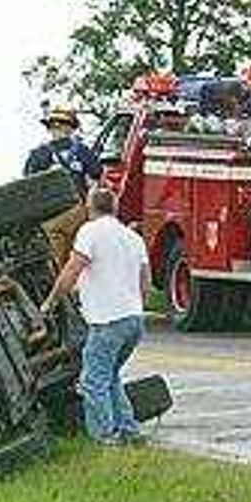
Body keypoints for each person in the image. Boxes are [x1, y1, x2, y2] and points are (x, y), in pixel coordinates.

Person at [40, 186, 149, 446]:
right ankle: (130, 431)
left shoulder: (90, 232)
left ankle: (105, 438)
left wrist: (50, 301)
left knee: (92, 381)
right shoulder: (132, 237)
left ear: (90, 209)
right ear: (115, 208)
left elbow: (72, 269)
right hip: (134, 320)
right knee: (109, 375)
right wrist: (136, 307)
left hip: (107, 322)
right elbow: (145, 279)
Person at [24, 106, 102, 264]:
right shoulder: (83, 151)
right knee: (80, 256)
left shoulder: (38, 154)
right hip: (77, 211)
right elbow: (96, 178)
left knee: (57, 261)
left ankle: (62, 284)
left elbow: (28, 185)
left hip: (50, 214)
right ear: (71, 128)